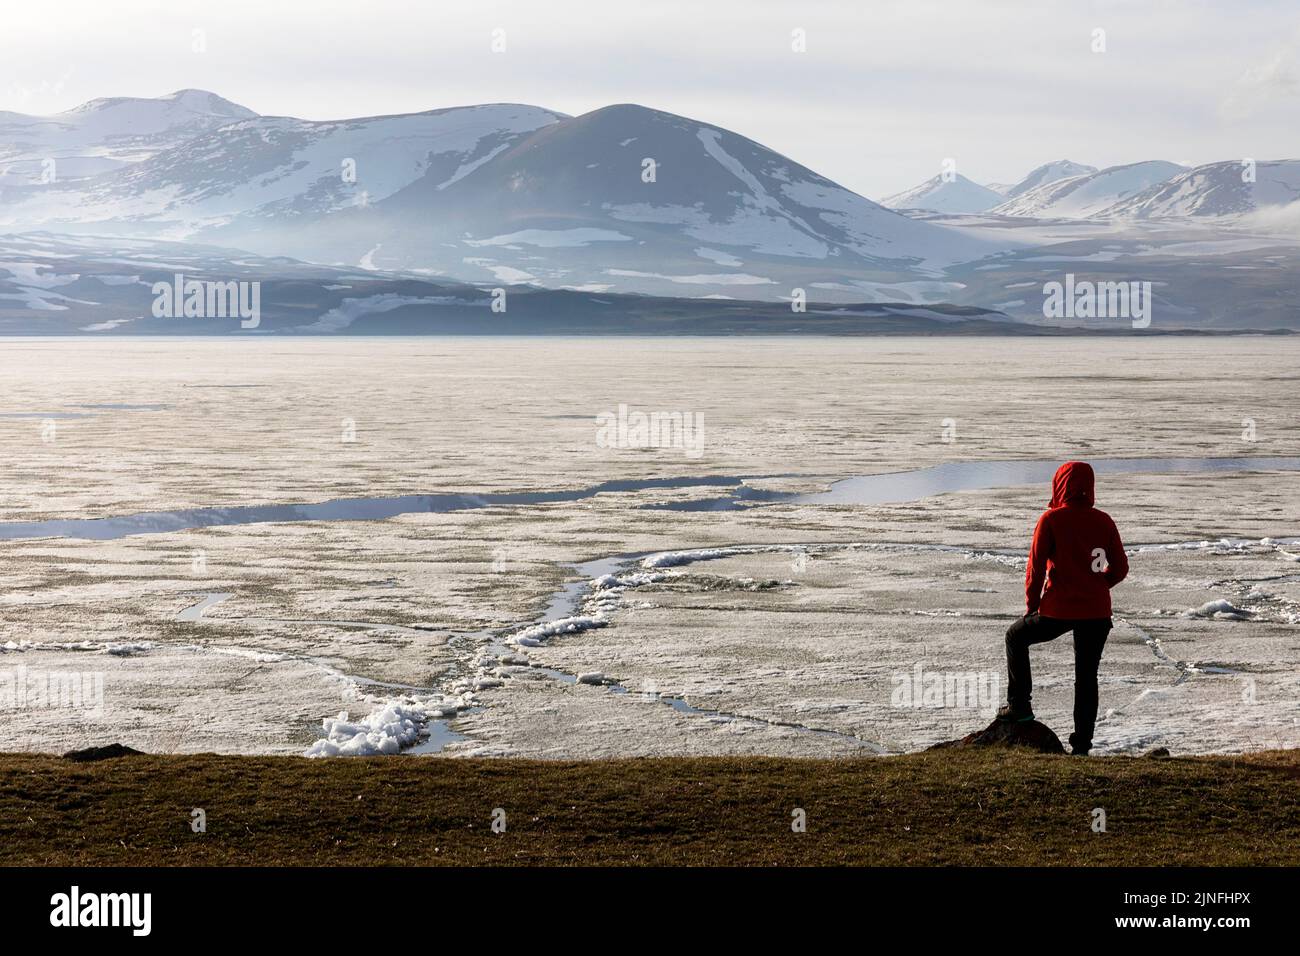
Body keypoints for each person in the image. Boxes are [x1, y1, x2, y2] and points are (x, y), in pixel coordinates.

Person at [998, 461, 1128, 756]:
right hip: (1097, 614)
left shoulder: (1052, 520)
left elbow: (1035, 569)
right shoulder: (1104, 521)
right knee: (1086, 678)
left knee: (1016, 637)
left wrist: (1032, 607)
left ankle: (1019, 706)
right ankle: (1081, 746)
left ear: (1060, 485)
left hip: (1058, 609)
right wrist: (1096, 588)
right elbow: (1120, 568)